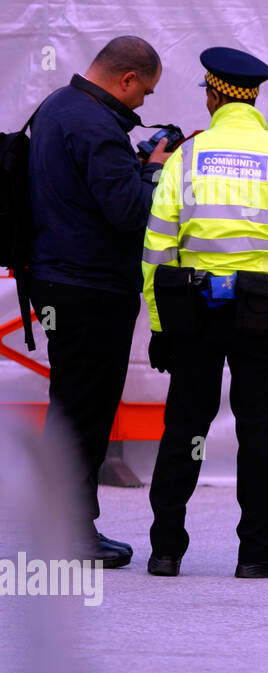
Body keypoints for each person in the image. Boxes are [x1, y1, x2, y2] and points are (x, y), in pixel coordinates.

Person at [141, 47, 268, 578]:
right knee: (256, 429)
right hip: (260, 315)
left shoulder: (186, 156)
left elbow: (157, 247)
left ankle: (166, 549)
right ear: (254, 95)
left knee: (185, 427)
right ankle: (257, 551)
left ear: (214, 95)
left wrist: (159, 325)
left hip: (193, 313)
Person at [27, 35, 172, 568]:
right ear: (127, 78)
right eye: (145, 91)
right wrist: (153, 169)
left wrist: (133, 159)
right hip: (89, 286)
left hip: (57, 279)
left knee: (70, 403)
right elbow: (130, 212)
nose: (143, 103)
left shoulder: (57, 107)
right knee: (85, 409)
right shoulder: (95, 124)